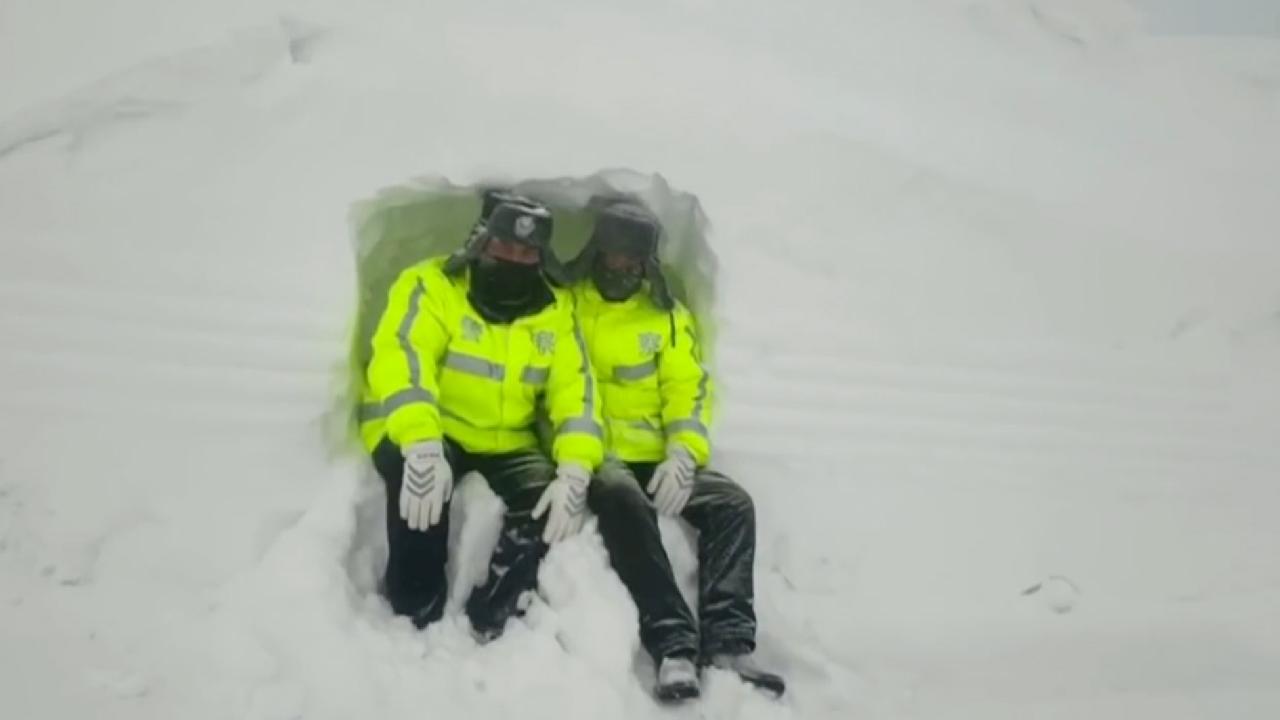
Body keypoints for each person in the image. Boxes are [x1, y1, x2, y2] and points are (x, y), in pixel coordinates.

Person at [358, 193, 603, 638]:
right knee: (422, 488)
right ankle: (415, 608)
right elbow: (402, 356)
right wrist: (420, 442)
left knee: (544, 502)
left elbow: (577, 392)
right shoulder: (430, 285)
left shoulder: (556, 308)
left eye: (526, 252)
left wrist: (575, 468)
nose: (514, 258)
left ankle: (493, 614)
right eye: (503, 247)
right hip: (432, 428)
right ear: (480, 243)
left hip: (508, 440)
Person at [569, 202, 785, 701]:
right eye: (613, 257)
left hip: (657, 455)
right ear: (596, 253)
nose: (622, 268)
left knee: (733, 505)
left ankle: (729, 646)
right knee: (626, 502)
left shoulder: (667, 316)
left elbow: (687, 389)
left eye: (632, 260)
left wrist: (683, 454)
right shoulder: (568, 306)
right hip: (599, 455)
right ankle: (674, 646)